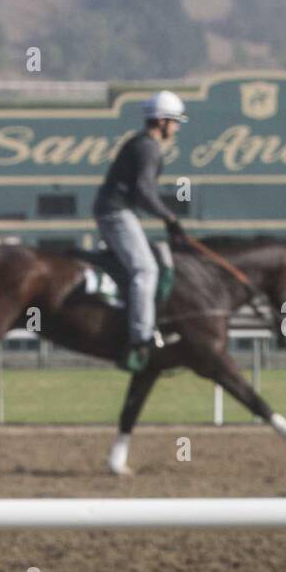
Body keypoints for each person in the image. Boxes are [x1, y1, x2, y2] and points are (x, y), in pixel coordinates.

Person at [93, 89, 188, 372]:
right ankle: (140, 339)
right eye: (175, 121)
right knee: (145, 270)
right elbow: (144, 191)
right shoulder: (148, 147)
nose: (178, 127)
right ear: (161, 121)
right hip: (115, 212)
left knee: (151, 262)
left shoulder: (142, 144)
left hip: (119, 210)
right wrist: (169, 217)